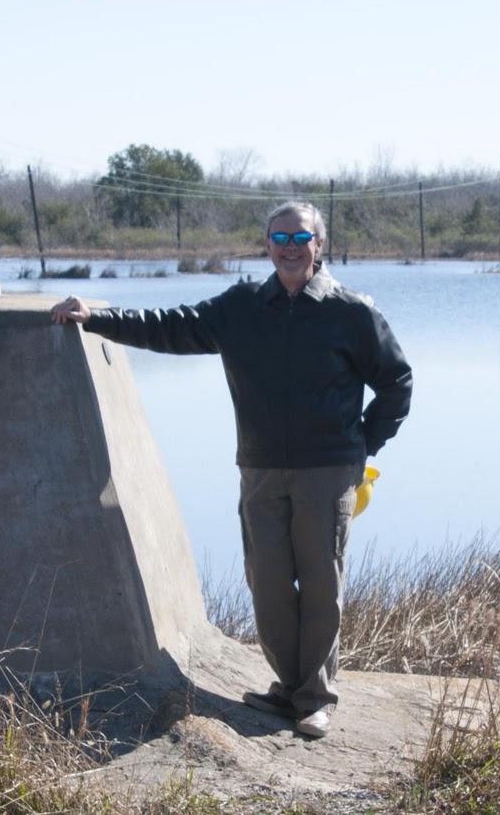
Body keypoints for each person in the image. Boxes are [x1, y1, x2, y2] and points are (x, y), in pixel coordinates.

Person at [50, 201, 412, 739]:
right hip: (260, 468)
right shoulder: (242, 306)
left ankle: (315, 698)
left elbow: (397, 381)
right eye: (280, 239)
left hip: (327, 471)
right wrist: (97, 318)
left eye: (301, 239)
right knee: (266, 584)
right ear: (267, 245)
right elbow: (170, 328)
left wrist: (362, 445)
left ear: (319, 246)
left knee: (319, 583)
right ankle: (290, 686)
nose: (291, 249)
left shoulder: (350, 312)